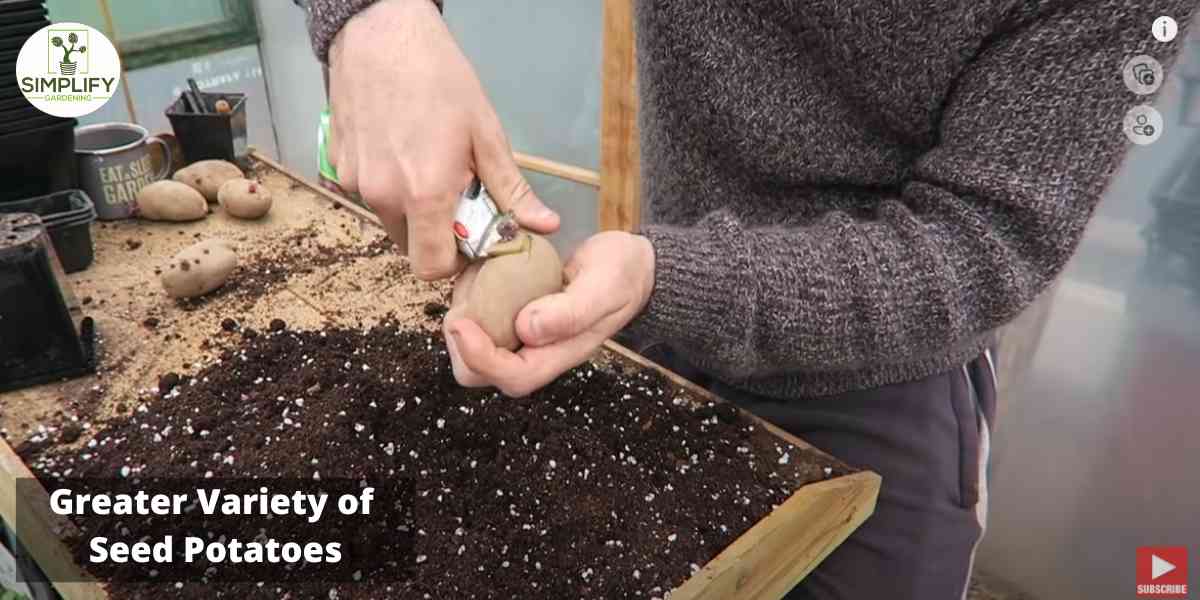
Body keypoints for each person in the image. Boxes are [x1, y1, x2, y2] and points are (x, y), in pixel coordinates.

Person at [303, 1, 1195, 597]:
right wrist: (370, 21)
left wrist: (667, 274)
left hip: (876, 375)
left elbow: (982, 245)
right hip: (650, 318)